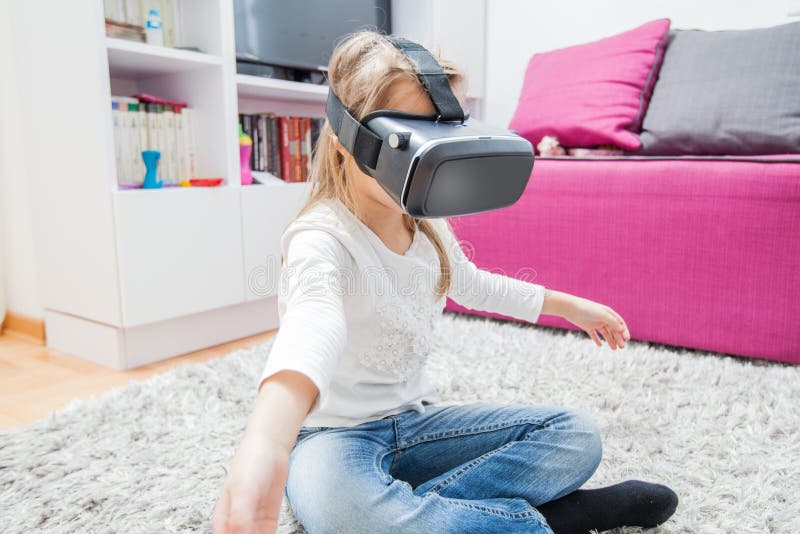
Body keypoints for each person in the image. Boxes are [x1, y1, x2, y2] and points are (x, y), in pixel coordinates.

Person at [212, 30, 678, 534]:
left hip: (417, 426)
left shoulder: (424, 223)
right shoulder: (321, 238)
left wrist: (569, 306)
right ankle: (549, 520)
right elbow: (312, 326)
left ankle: (433, 516)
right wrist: (265, 443)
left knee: (576, 436)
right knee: (343, 511)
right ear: (350, 141)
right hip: (332, 438)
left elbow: (472, 284)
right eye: (411, 133)